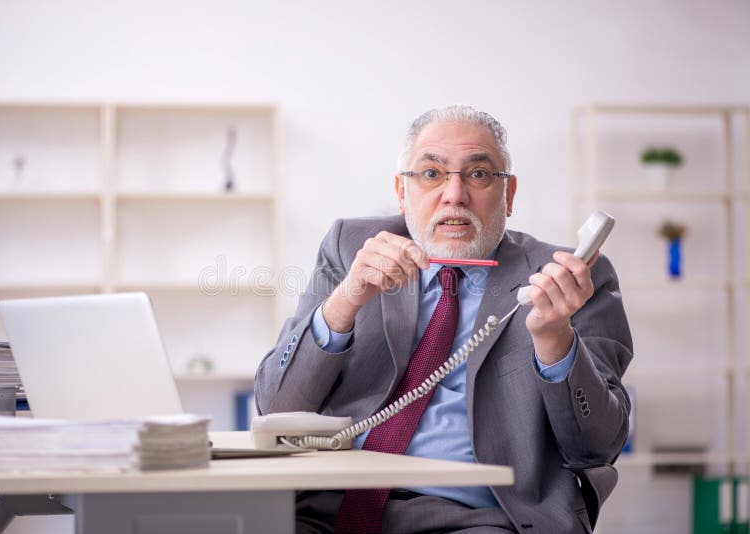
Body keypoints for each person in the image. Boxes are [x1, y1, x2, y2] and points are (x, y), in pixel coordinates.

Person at [255, 105, 632, 534]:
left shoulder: (568, 277)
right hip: (327, 510)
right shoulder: (350, 249)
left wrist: (554, 339)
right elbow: (275, 405)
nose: (455, 194)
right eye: (432, 174)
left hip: (480, 519)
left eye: (478, 174)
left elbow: (597, 446)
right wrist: (344, 302)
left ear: (508, 196)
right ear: (402, 191)